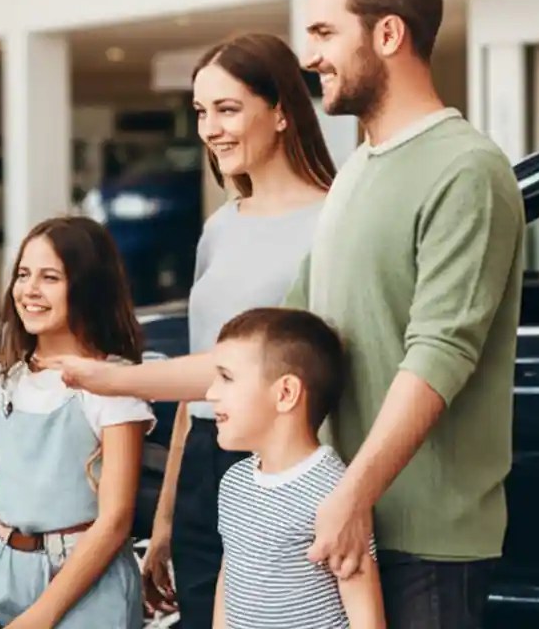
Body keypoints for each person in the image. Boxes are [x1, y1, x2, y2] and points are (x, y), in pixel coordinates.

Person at [46, 32, 336, 628]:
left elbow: (275, 371)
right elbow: (198, 387)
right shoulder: (221, 227)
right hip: (205, 464)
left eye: (227, 109)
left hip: (280, 467)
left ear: (281, 110)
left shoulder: (332, 224)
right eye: (202, 112)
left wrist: (114, 380)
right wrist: (168, 523)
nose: (210, 128)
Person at [289, 0, 525, 628]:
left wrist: (354, 493)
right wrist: (110, 376)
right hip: (348, 525)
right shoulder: (358, 169)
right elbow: (296, 328)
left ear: (388, 33)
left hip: (425, 548)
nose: (310, 57)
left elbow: (440, 352)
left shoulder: (467, 169)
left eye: (326, 32)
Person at [0, 217, 156, 629]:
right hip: (3, 581)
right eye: (23, 275)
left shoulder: (111, 383)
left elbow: (115, 518)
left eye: (50, 277)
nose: (30, 290)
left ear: (87, 287)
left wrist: (42, 616)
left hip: (87, 587)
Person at [206, 307, 384, 629]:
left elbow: (364, 614)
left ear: (286, 393)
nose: (210, 393)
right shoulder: (234, 483)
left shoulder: (335, 494)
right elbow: (230, 575)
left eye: (226, 378)